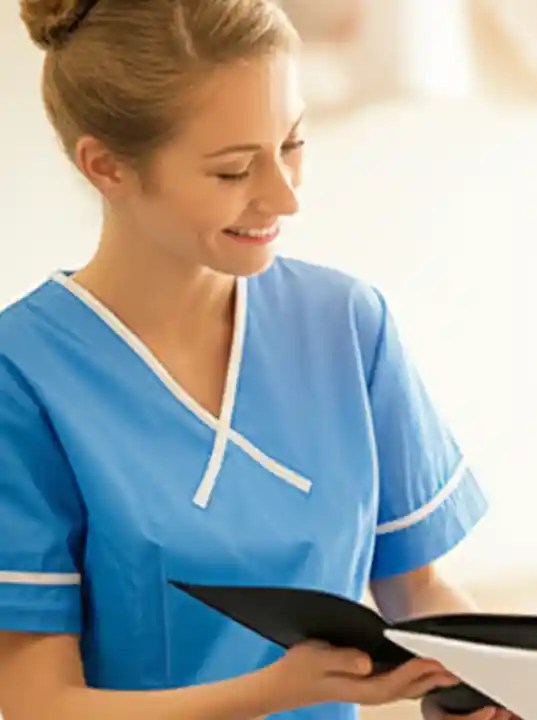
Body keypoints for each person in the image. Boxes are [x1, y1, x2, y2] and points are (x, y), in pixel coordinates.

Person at [0, 2, 509, 719]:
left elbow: (416, 589)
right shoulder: (22, 376)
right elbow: (33, 704)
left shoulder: (347, 327)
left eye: (293, 144)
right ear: (106, 166)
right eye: (234, 170)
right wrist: (272, 694)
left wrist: (477, 685)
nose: (285, 196)